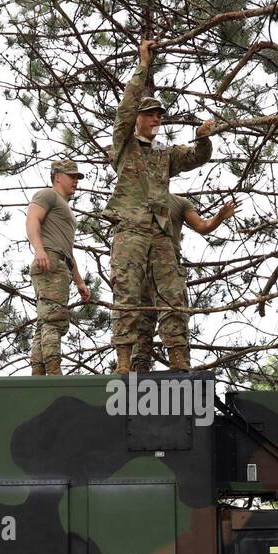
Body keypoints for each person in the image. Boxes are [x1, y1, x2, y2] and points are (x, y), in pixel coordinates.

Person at [106, 38, 215, 373]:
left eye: (159, 116)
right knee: (127, 293)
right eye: (150, 115)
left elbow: (197, 156)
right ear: (138, 119)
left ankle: (178, 357)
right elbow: (126, 107)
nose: (156, 120)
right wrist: (143, 64)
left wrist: (203, 136)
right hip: (130, 231)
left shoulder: (164, 154)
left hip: (161, 234)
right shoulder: (124, 145)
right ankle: (124, 359)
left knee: (172, 294)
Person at [133, 193, 239, 372]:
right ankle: (138, 367)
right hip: (138, 264)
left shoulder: (180, 203)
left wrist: (219, 216)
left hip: (167, 264)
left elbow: (202, 226)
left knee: (173, 311)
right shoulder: (136, 196)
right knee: (139, 318)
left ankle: (178, 361)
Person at [26, 158, 90, 375]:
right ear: (57, 176)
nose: (75, 181)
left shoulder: (65, 208)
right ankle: (53, 372)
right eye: (71, 176)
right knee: (54, 320)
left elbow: (68, 251)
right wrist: (39, 249)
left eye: (77, 177)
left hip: (60, 263)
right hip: (49, 260)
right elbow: (32, 220)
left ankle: (39, 372)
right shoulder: (48, 194)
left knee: (45, 320)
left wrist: (79, 281)